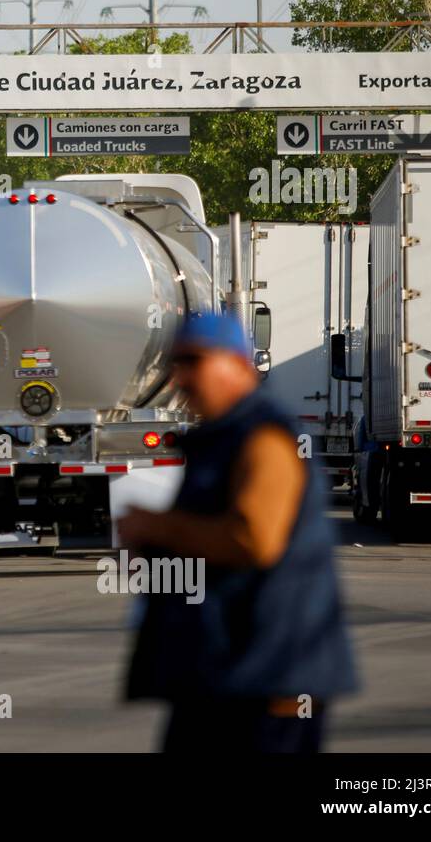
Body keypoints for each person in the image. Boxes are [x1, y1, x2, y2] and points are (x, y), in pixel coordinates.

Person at [118, 311, 357, 753]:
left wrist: (158, 527)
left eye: (194, 361)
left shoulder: (262, 439)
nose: (182, 377)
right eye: (176, 363)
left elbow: (254, 540)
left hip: (268, 681)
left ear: (239, 365)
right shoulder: (221, 439)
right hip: (220, 674)